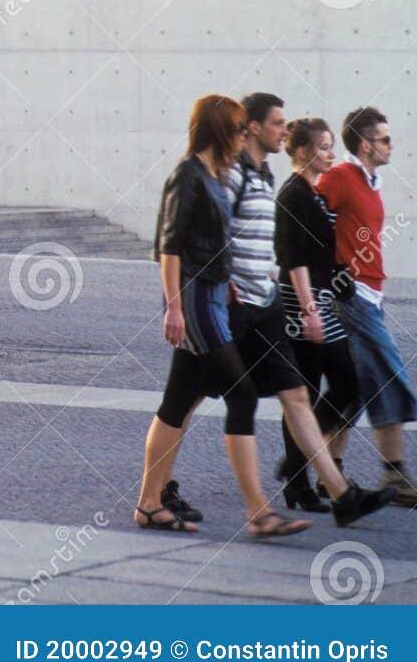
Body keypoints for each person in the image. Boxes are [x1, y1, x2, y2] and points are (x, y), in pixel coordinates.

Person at [152, 91, 392, 530]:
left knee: (295, 392)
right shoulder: (225, 174)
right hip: (228, 308)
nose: (285, 129)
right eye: (278, 123)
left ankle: (341, 495)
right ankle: (166, 494)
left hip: (264, 307)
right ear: (253, 128)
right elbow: (191, 236)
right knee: (187, 398)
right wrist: (199, 292)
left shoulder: (261, 172)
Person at [136, 93, 307, 539]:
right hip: (195, 302)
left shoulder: (216, 174)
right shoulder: (188, 174)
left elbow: (218, 240)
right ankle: (259, 511)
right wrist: (173, 308)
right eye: (237, 127)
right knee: (243, 393)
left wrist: (229, 275)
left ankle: (150, 504)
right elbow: (169, 246)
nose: (243, 134)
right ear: (219, 130)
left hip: (214, 296)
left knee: (177, 401)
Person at [318, 106, 417, 506]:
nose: (391, 146)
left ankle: (328, 471)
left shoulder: (368, 181)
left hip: (370, 294)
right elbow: (304, 218)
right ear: (365, 144)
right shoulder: (340, 177)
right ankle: (394, 474)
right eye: (385, 139)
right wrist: (332, 274)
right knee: (391, 375)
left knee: (357, 387)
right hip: (352, 295)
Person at [274, 117, 361, 510]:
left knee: (346, 386)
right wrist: (309, 310)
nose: (331, 154)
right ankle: (298, 480)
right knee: (307, 393)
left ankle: (296, 467)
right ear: (305, 152)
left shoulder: (314, 193)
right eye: (324, 147)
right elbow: (293, 258)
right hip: (303, 306)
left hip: (321, 301)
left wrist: (340, 275)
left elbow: (319, 253)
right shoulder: (293, 194)